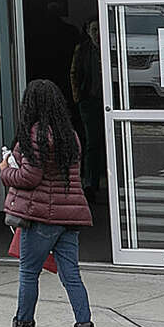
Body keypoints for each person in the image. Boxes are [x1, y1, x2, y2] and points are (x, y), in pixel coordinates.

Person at [0, 79, 94, 327]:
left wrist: (6, 170)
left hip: (41, 218)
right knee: (72, 277)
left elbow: (30, 177)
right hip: (69, 216)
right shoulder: (70, 135)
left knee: (29, 274)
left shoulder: (35, 135)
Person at [68, 22, 104, 200]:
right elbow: (74, 73)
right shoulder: (82, 50)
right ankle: (90, 183)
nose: (97, 33)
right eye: (94, 30)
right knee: (92, 142)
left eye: (99, 29)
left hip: (108, 101)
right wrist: (78, 97)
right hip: (89, 100)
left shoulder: (110, 46)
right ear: (88, 32)